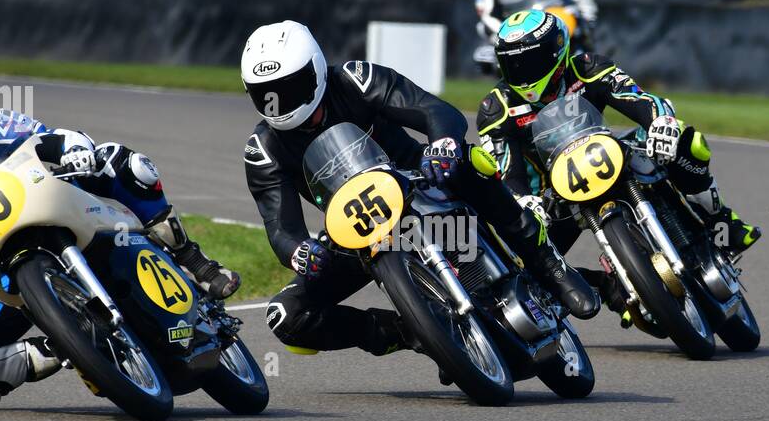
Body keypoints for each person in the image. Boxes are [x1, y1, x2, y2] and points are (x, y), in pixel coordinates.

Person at [240, 21, 599, 357]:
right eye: (266, 94)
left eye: (289, 88)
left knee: (471, 160)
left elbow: (432, 108)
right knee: (286, 315)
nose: (279, 102)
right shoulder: (263, 149)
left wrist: (442, 144)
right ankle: (409, 331)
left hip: (419, 177)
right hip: (357, 227)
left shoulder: (354, 80)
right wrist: (300, 252)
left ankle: (548, 264)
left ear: (315, 69)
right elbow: (281, 228)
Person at [0, 64, 239, 406]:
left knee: (122, 161)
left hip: (56, 206)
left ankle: (192, 259)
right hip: (8, 274)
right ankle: (62, 345)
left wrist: (75, 149)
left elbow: (51, 138)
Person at [476, 10, 760, 326]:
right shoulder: (497, 107)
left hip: (608, 150)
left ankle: (722, 220)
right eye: (512, 63)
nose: (521, 71)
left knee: (687, 142)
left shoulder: (587, 68)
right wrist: (523, 201)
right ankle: (611, 287)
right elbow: (505, 168)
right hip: (550, 196)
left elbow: (636, 97)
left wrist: (659, 122)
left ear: (556, 52)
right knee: (525, 271)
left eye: (529, 61)